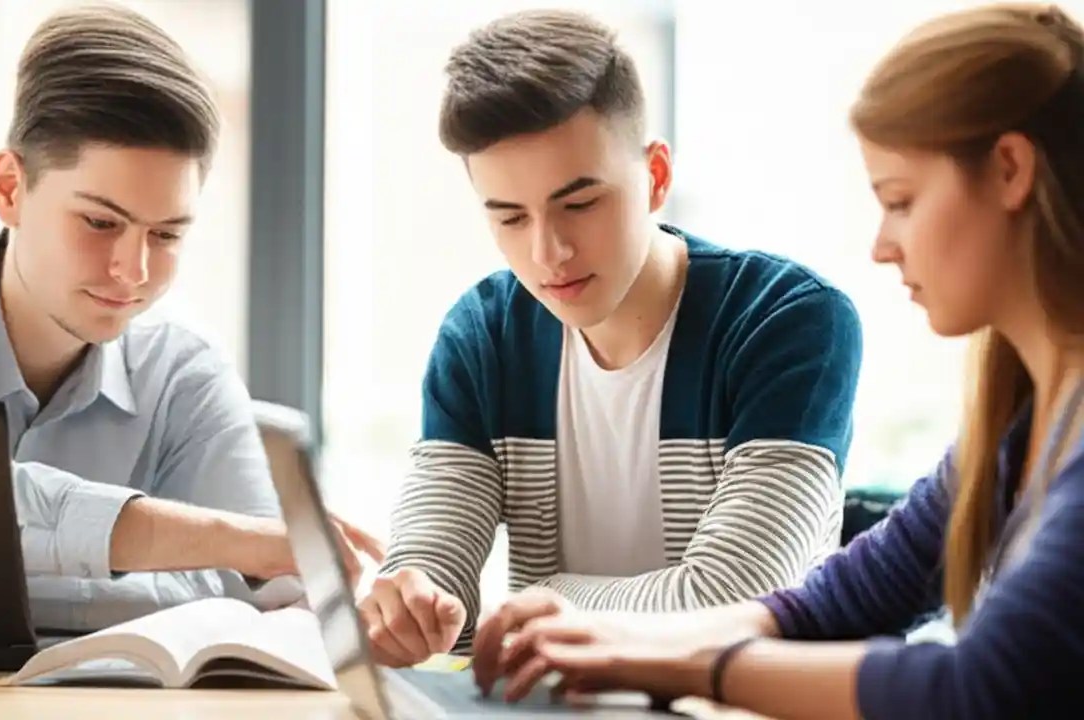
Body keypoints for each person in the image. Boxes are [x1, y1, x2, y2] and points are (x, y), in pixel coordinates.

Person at [473, 4, 1084, 718]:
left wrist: (699, 668)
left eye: (901, 201)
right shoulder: (1019, 426)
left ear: (1010, 170)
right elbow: (836, 602)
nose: (882, 246)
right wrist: (618, 640)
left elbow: (979, 687)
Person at [0, 4, 381, 632]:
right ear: (9, 189)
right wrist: (209, 543)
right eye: (101, 222)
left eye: (166, 234)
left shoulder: (184, 372)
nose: (133, 271)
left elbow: (269, 588)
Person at [359, 8, 863, 666]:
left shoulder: (786, 321)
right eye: (510, 218)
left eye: (580, 204)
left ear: (656, 177)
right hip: (559, 703)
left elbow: (732, 601)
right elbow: (433, 570)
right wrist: (413, 608)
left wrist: (535, 604)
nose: (549, 253)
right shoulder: (484, 337)